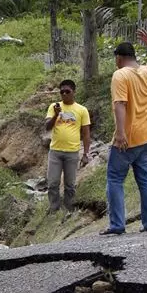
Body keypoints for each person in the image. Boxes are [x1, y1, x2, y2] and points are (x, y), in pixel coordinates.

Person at [100, 29, 147, 235]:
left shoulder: (120, 75)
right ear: (134, 57)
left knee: (114, 178)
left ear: (119, 59)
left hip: (129, 138)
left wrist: (120, 133)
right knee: (146, 179)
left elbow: (120, 103)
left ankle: (117, 224)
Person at [44, 79, 91, 216]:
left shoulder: (82, 110)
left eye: (67, 91)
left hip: (72, 152)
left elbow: (86, 133)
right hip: (55, 151)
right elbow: (47, 127)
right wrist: (56, 114)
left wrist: (86, 153)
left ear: (73, 92)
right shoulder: (54, 106)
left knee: (70, 184)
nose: (64, 94)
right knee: (53, 182)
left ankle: (68, 209)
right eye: (62, 92)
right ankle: (54, 209)